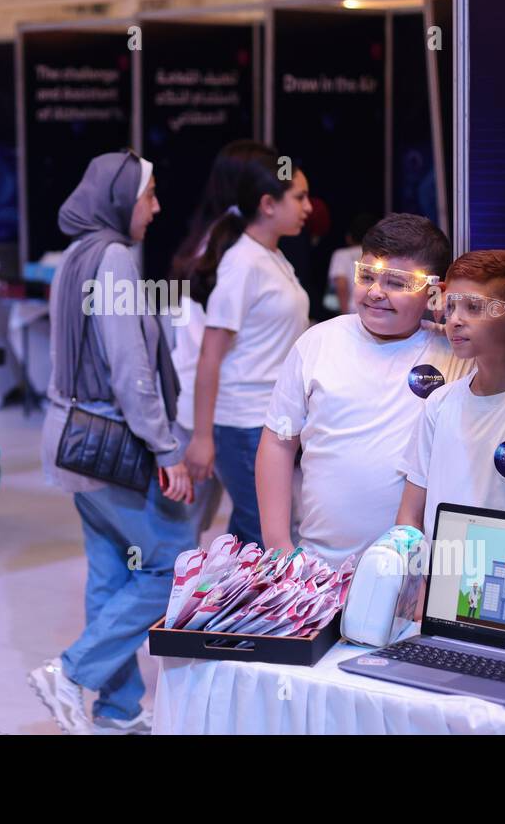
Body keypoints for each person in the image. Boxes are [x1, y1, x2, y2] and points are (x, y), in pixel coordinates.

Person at [258, 215, 505, 568]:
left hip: (416, 571)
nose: (376, 292)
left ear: (434, 290)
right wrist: (278, 543)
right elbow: (278, 443)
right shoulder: (318, 342)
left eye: (397, 282)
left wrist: (455, 304)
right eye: (367, 276)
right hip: (321, 561)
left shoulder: (452, 347)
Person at [34, 150, 195, 736]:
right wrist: (166, 448)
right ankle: (74, 673)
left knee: (110, 571)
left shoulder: (74, 255)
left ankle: (117, 711)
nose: (155, 207)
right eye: (149, 195)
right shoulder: (115, 260)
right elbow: (130, 368)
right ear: (122, 197)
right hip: (114, 444)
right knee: (173, 565)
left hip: (72, 441)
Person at [183, 147, 311, 548]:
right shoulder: (242, 264)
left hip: (269, 418)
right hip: (241, 424)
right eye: (300, 197)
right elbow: (210, 355)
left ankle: (225, 608)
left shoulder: (272, 256)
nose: (309, 207)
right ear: (268, 204)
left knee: (248, 538)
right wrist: (203, 437)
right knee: (268, 537)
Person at [396, 249, 505, 542]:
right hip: (429, 579)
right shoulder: (439, 402)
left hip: (500, 580)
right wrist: (415, 579)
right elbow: (409, 516)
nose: (455, 320)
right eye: (451, 306)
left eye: (474, 307)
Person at [168, 142, 276, 533]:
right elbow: (206, 349)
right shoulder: (229, 248)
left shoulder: (226, 240)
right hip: (204, 408)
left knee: (209, 527)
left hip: (208, 406)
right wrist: (201, 433)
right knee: (182, 533)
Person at [327, 212, 379, 314]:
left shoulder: (341, 255)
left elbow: (341, 285)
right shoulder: (379, 255)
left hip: (353, 310)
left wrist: (344, 314)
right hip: (376, 309)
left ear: (349, 237)